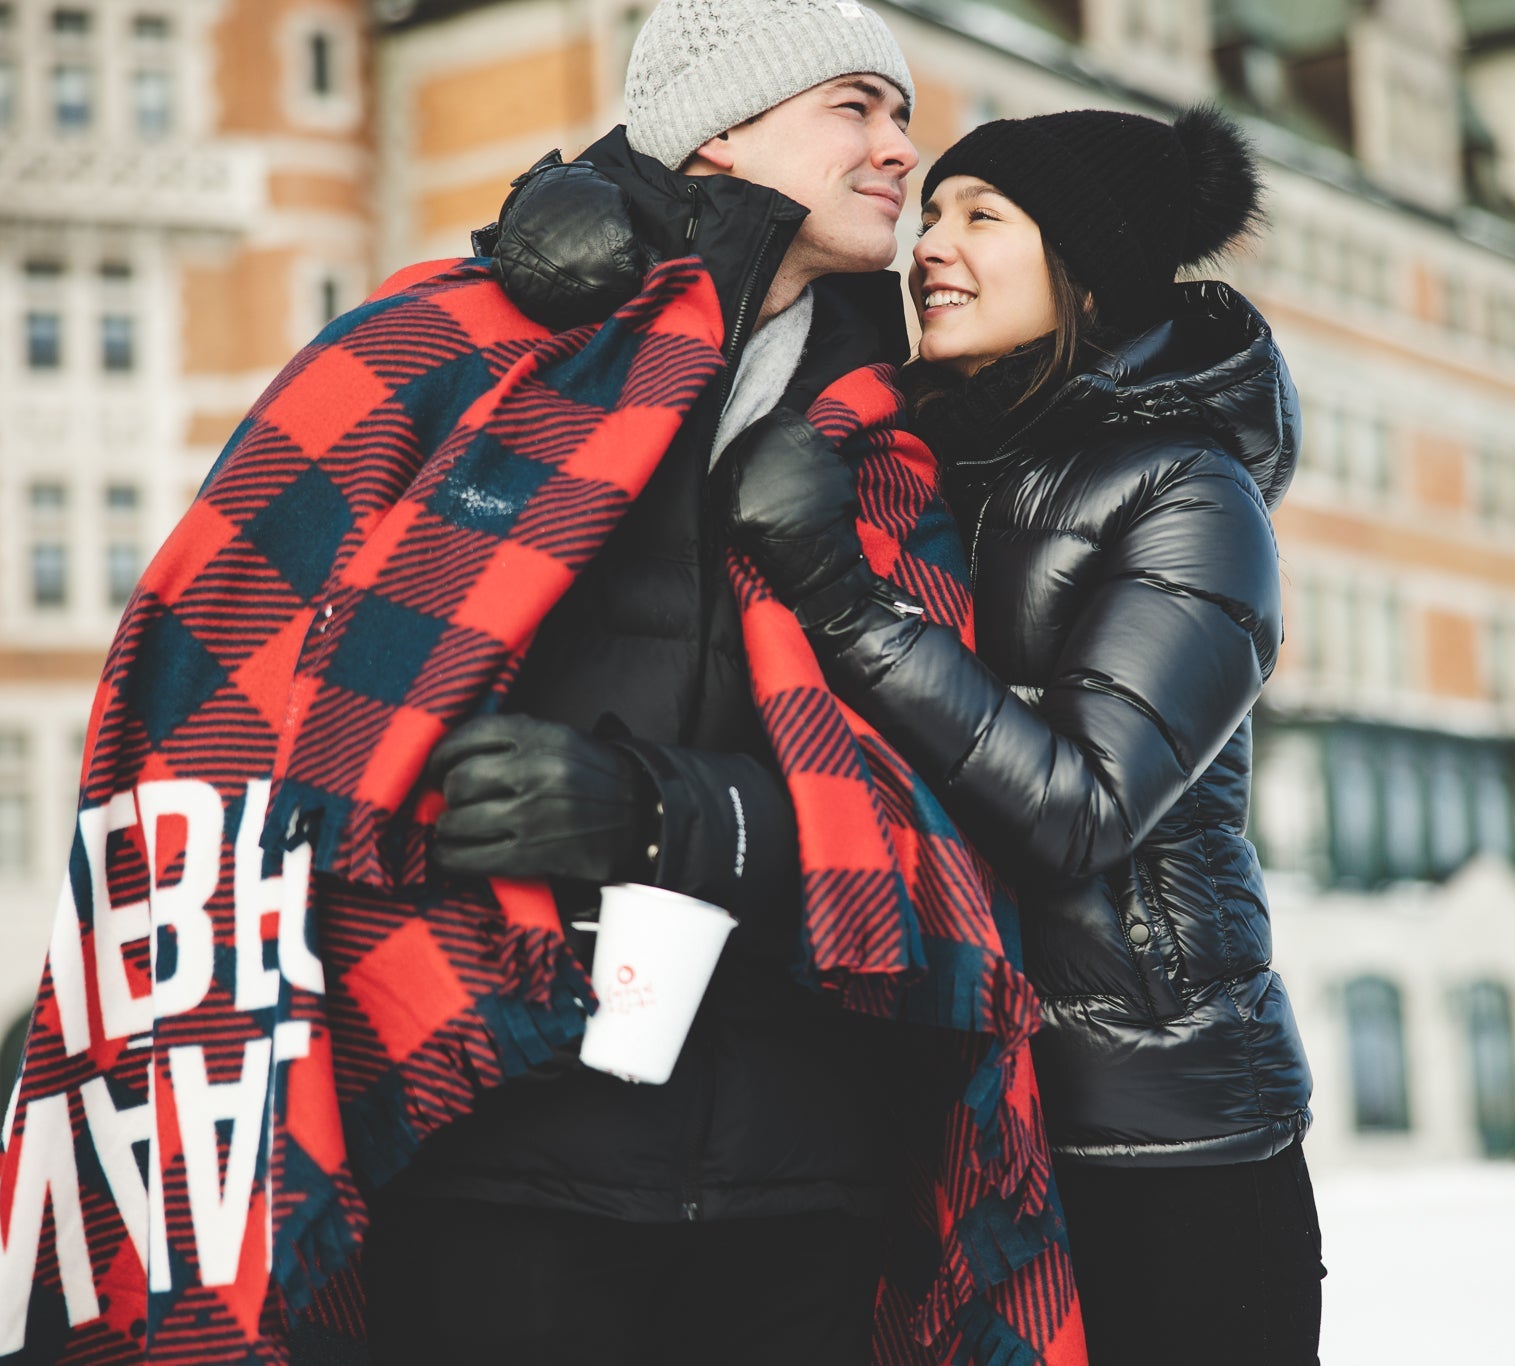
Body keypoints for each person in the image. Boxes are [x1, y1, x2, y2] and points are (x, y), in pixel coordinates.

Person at [359, 3, 922, 1362]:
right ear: (720, 130)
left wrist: (661, 814)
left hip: (805, 1176)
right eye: (857, 108)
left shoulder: (904, 424)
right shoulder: (491, 356)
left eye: (903, 114)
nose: (903, 148)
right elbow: (316, 712)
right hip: (513, 1146)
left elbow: (954, 798)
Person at [727, 106, 1323, 1364]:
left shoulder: (1188, 492)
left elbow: (1079, 811)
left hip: (1162, 1149)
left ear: (1088, 267)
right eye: (930, 212)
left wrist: (839, 594)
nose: (929, 244)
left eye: (980, 216)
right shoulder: (928, 458)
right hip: (961, 1119)